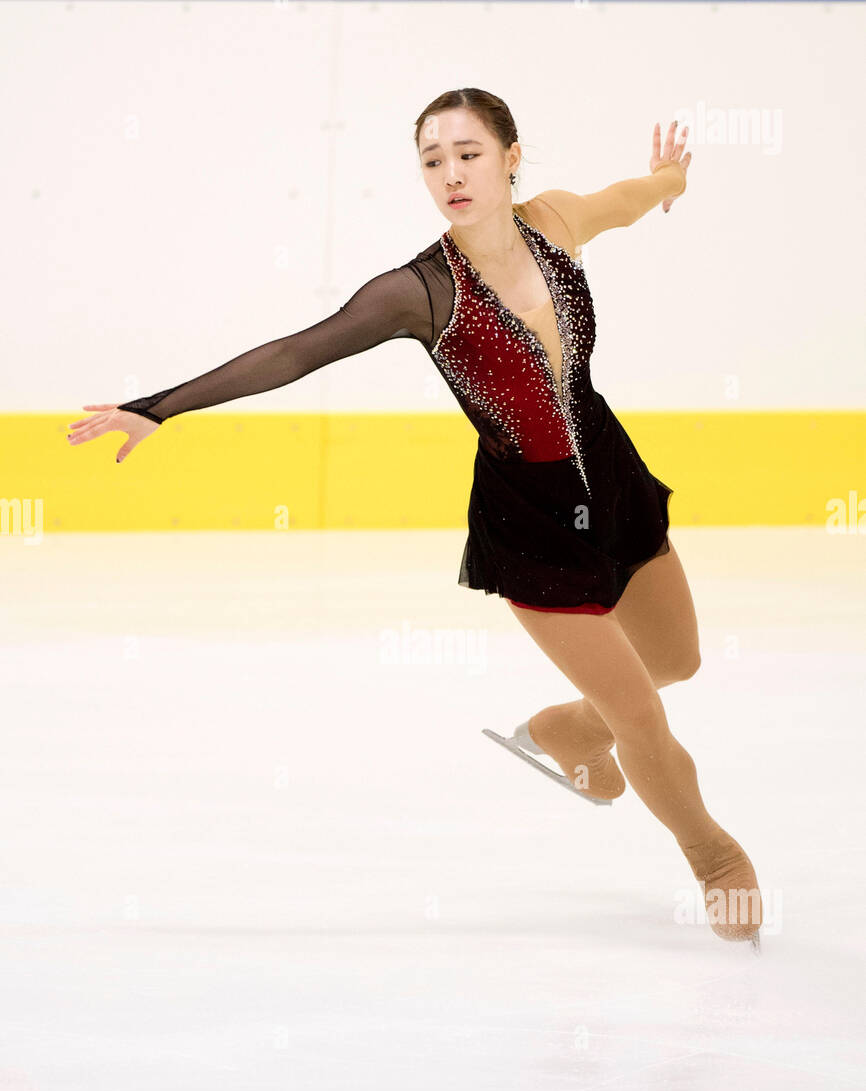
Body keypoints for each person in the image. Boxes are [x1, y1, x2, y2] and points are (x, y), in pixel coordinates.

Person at [67, 87, 762, 949]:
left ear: (511, 157)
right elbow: (296, 351)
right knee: (643, 718)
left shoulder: (555, 223)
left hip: (613, 481)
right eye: (433, 161)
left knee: (676, 661)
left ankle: (567, 726)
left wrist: (669, 181)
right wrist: (159, 406)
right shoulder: (421, 291)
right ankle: (714, 858)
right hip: (531, 521)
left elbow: (630, 199)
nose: (451, 176)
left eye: (468, 155)